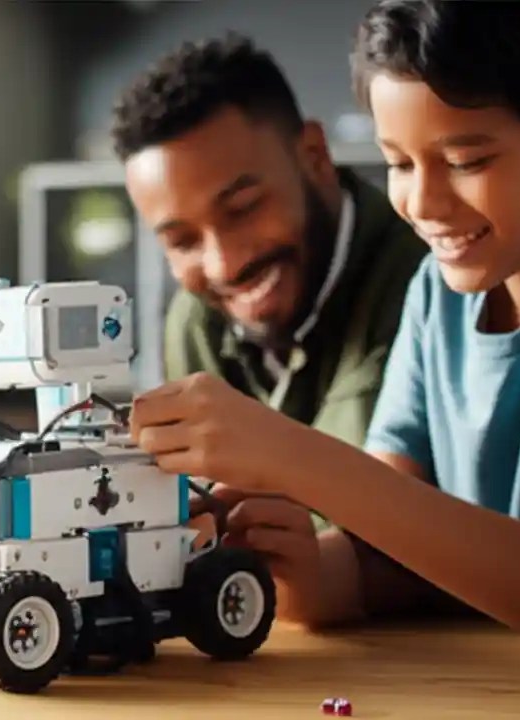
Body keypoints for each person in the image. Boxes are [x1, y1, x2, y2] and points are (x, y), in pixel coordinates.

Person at [128, 0, 520, 666]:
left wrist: (290, 456)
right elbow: (383, 555)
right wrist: (305, 569)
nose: (420, 204)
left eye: (465, 161)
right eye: (398, 163)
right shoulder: (435, 294)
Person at [110, 34, 426, 451]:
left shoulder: (425, 280)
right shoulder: (194, 323)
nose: (224, 265)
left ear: (314, 156)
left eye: (243, 208)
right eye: (183, 241)